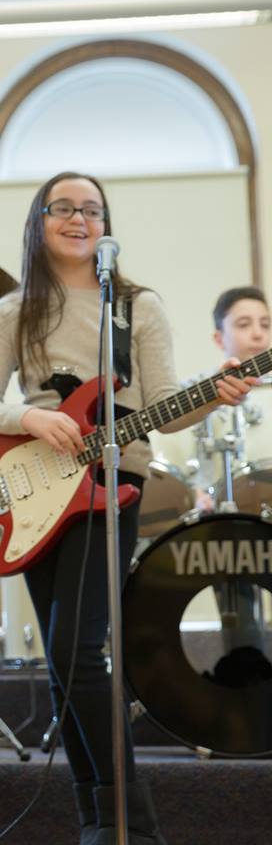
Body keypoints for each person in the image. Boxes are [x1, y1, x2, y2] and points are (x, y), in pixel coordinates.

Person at [0, 172, 253, 844]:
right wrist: (30, 423)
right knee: (63, 663)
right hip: (33, 485)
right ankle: (97, 817)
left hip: (110, 481)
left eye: (91, 209)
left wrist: (214, 395)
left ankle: (133, 824)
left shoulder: (137, 306)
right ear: (39, 221)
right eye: (62, 207)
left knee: (77, 647)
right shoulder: (13, 309)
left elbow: (166, 406)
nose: (77, 217)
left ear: (105, 225)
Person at [153, 286, 272, 667]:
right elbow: (174, 460)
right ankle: (246, 672)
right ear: (219, 338)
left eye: (265, 324)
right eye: (244, 324)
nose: (257, 333)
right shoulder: (200, 394)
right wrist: (195, 492)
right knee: (236, 582)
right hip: (233, 524)